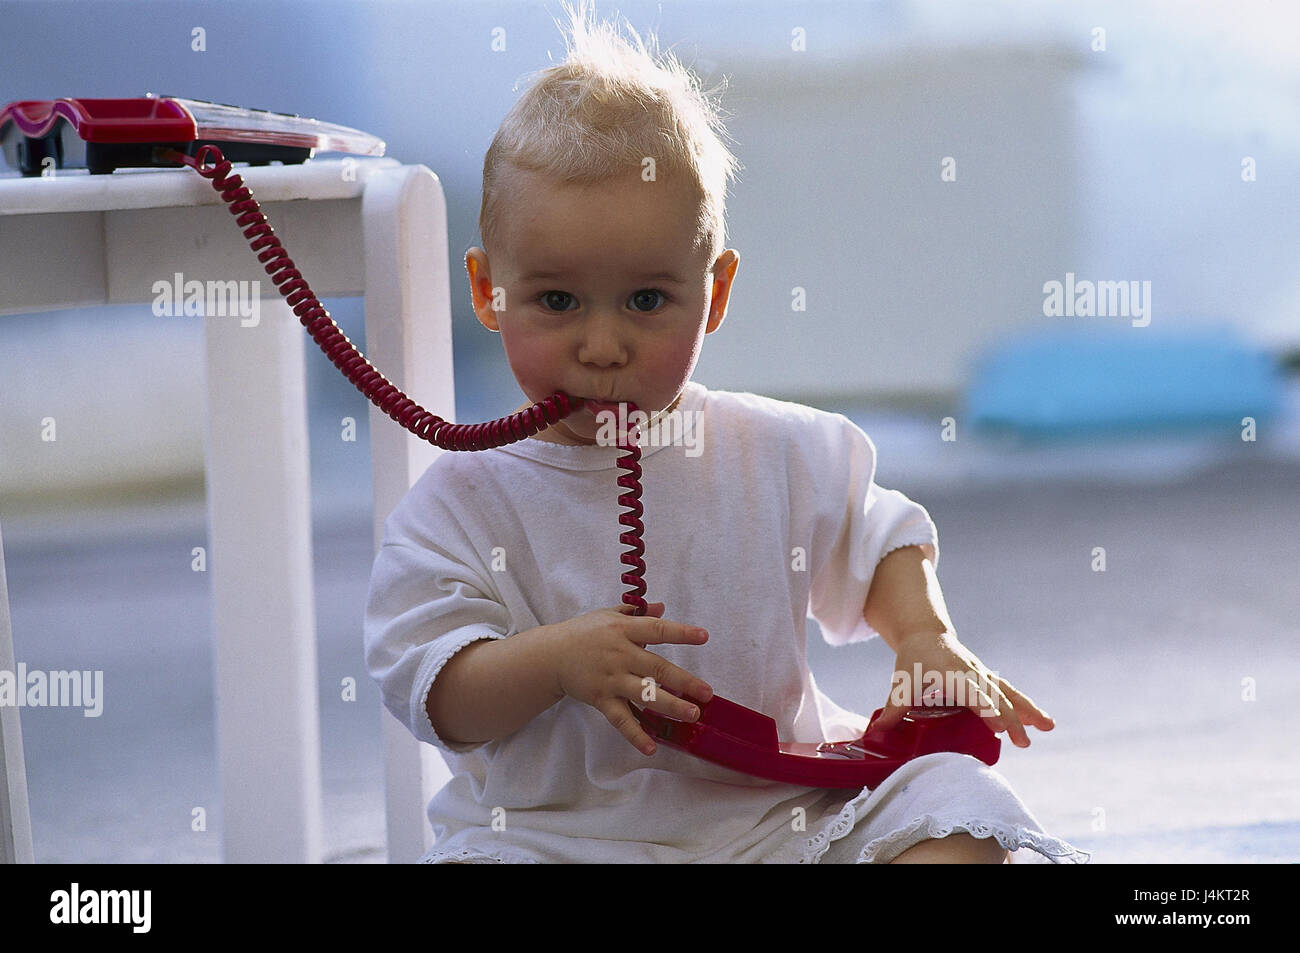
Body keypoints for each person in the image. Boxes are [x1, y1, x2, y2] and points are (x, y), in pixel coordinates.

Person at [363, 1, 1089, 864]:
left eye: (647, 300)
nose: (603, 346)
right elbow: (433, 688)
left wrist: (925, 636)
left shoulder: (773, 450)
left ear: (715, 292)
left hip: (777, 820)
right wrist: (552, 662)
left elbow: (884, 534)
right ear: (487, 290)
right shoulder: (460, 501)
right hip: (558, 839)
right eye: (558, 301)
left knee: (958, 807)